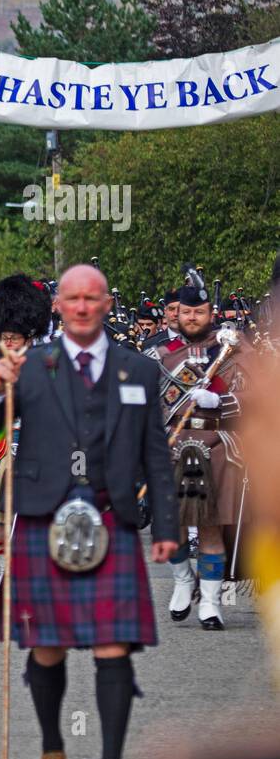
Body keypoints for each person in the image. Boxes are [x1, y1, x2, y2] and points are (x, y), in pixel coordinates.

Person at [0, 264, 178, 759]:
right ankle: (52, 751)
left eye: (93, 298)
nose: (83, 307)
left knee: (114, 646)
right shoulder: (30, 367)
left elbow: (156, 455)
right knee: (47, 645)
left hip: (111, 516)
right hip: (45, 515)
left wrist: (167, 526)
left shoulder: (138, 370)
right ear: (59, 306)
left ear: (107, 303)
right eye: (73, 298)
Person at [150, 269, 249, 629]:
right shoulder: (158, 352)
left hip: (217, 447)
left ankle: (210, 602)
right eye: (187, 312)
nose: (192, 318)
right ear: (176, 313)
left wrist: (219, 401)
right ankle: (182, 579)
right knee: (171, 524)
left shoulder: (233, 348)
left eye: (200, 312)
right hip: (170, 446)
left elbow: (260, 396)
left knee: (209, 528)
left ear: (212, 313)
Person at [0, 276, 53, 567]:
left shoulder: (50, 368)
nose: (7, 341)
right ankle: (8, 576)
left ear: (29, 337)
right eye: (3, 336)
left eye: (14, 336)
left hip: (38, 452)